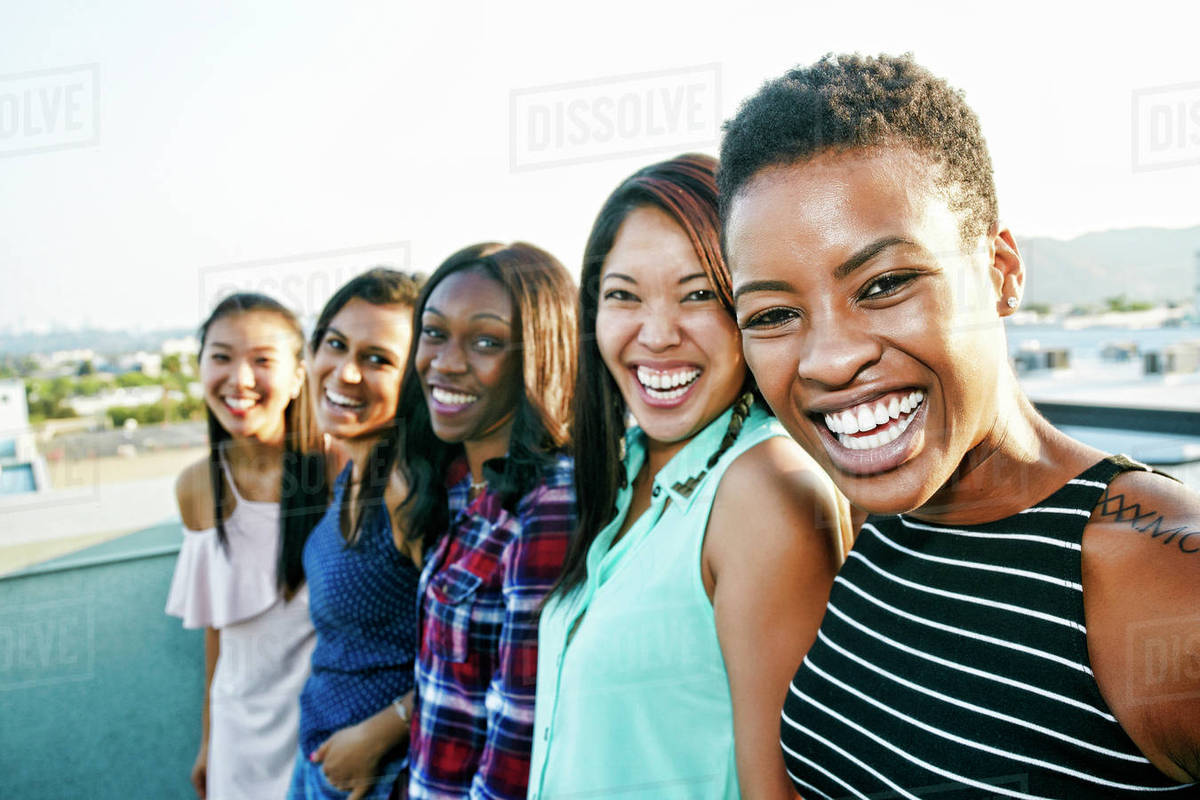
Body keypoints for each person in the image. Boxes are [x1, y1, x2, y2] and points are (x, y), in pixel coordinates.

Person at [719, 53, 1200, 798]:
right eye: (775, 315)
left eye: (885, 284)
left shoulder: (1155, 566)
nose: (831, 359)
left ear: (1003, 271)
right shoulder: (877, 519)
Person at [526, 153, 851, 800]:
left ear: (754, 308)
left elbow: (779, 792)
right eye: (623, 295)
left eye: (699, 294)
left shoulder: (763, 491)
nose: (656, 333)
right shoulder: (631, 468)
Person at [398, 242, 577, 800]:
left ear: (539, 353)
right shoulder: (454, 484)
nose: (446, 362)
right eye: (433, 332)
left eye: (485, 342)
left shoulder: (548, 503)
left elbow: (518, 741)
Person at [167, 292, 324, 800]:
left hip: (322, 739)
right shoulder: (196, 486)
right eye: (221, 357)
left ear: (299, 375)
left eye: (262, 360)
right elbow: (218, 631)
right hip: (238, 739)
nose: (240, 379)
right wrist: (209, 742)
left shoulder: (340, 468)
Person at [287, 268, 425, 800]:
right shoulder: (353, 472)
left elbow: (475, 653)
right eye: (335, 345)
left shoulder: (405, 487)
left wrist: (379, 732)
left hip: (380, 773)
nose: (344, 373)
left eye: (377, 359)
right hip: (320, 762)